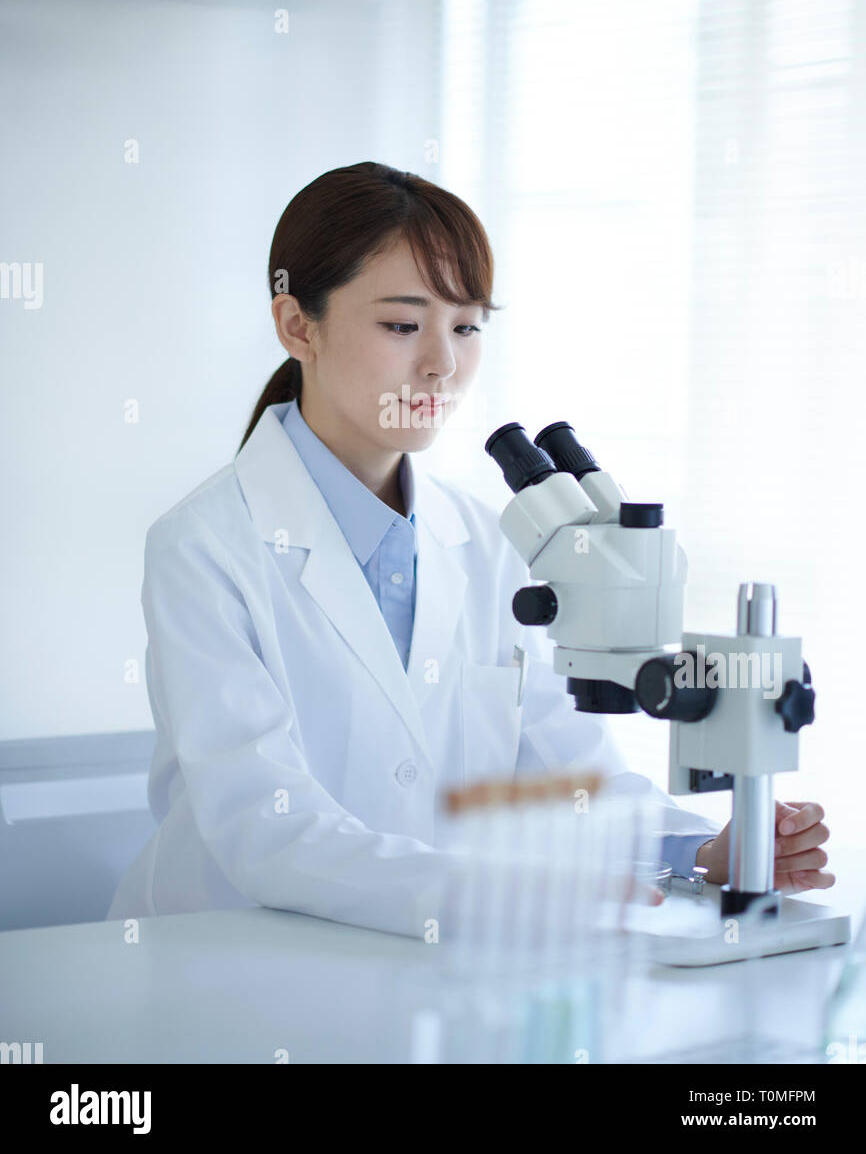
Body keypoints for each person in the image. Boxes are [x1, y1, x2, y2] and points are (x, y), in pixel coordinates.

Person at [107, 162, 833, 935]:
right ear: (297, 326)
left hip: (418, 970)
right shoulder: (204, 546)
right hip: (224, 962)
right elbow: (265, 827)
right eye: (401, 324)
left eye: (465, 326)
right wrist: (493, 894)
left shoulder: (488, 543)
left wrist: (697, 849)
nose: (441, 364)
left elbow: (568, 777)